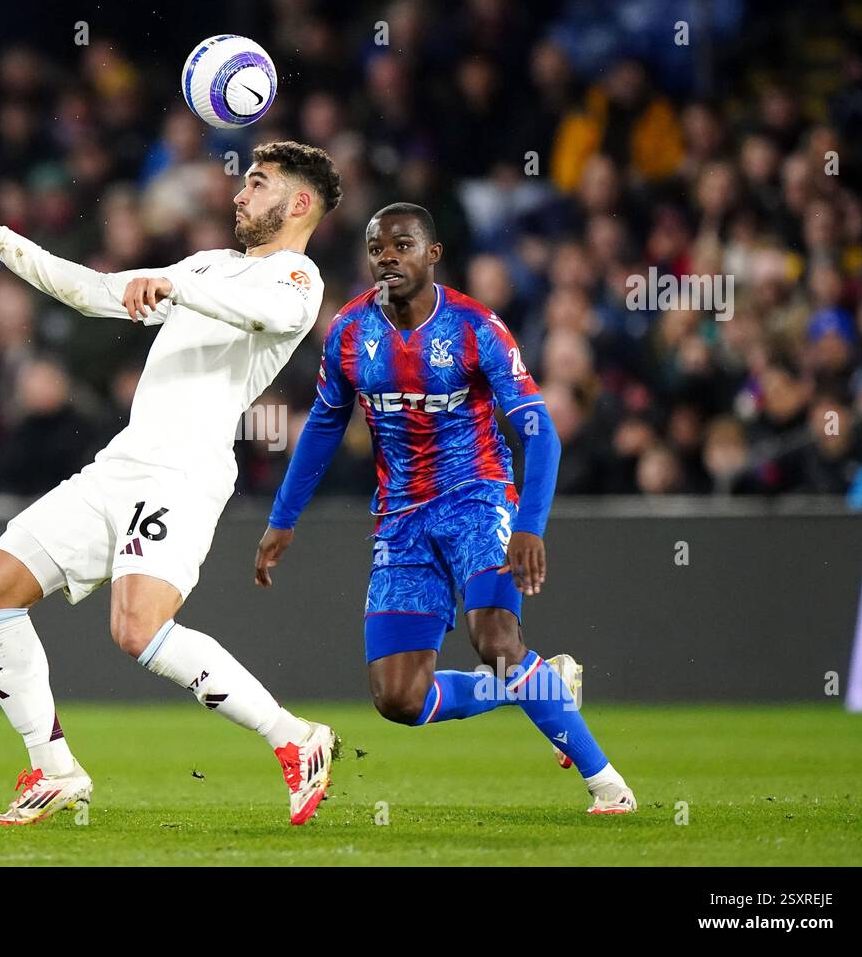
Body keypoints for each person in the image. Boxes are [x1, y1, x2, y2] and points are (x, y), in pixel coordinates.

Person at [0, 141, 345, 826]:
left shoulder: (297, 281)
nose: (240, 194)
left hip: (184, 472)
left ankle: (298, 739)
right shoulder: (210, 265)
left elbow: (263, 318)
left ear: (299, 203)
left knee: (137, 630)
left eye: (258, 183)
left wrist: (176, 284)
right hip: (122, 465)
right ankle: (54, 768)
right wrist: (4, 242)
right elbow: (99, 293)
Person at [255, 202, 636, 815]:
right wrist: (283, 517)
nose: (387, 257)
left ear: (431, 254)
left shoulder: (476, 327)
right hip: (401, 519)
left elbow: (541, 432)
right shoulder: (350, 332)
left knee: (496, 641)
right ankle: (545, 686)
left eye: (402, 246)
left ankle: (608, 786)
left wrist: (529, 527)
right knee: (398, 699)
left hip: (477, 500)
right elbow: (326, 424)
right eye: (378, 247)